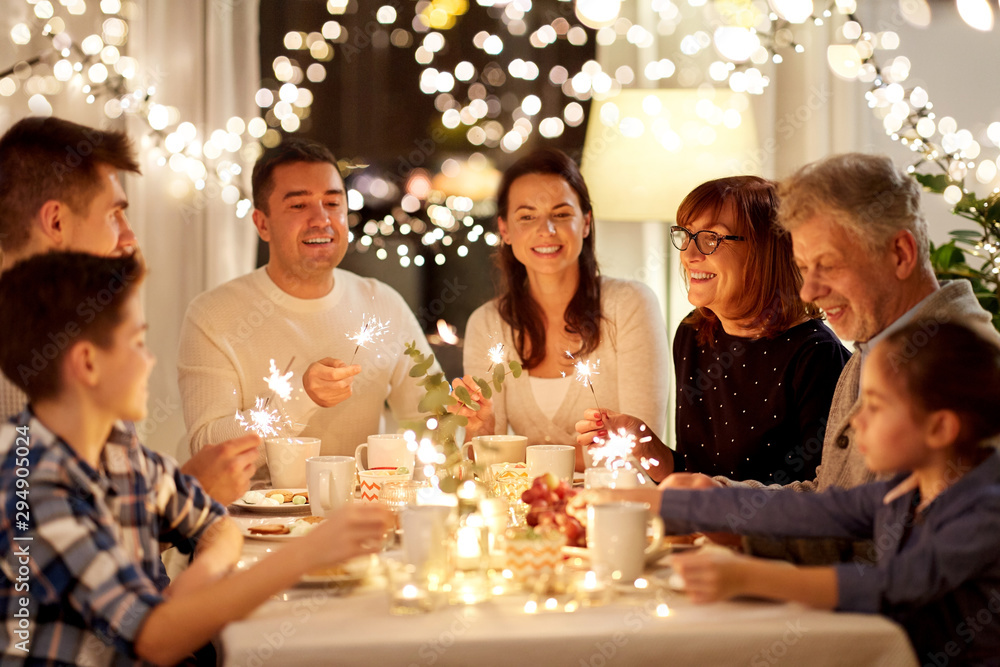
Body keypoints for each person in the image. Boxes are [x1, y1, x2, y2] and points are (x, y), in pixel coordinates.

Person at [0, 252, 392, 665]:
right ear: (87, 363)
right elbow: (155, 640)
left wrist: (186, 592)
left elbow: (214, 522)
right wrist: (308, 552)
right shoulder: (30, 481)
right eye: (137, 343)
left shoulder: (115, 447)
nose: (149, 361)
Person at [619, 153, 1000, 565]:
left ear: (900, 254)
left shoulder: (960, 371)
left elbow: (897, 558)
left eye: (828, 265)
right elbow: (834, 502)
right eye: (803, 267)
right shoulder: (878, 345)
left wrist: (738, 537)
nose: (808, 291)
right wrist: (720, 502)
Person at [607, 321, 1000, 664]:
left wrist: (750, 577)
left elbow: (893, 586)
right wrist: (656, 502)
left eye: (875, 406)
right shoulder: (903, 488)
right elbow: (809, 511)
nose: (854, 420)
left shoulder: (985, 512)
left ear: (940, 429)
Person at [0, 116, 257, 505]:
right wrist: (191, 492)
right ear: (55, 222)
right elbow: (44, 541)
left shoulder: (82, 324)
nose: (129, 235)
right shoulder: (27, 362)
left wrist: (178, 493)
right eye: (113, 215)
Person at [178, 138, 438, 466]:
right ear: (262, 223)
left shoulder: (382, 303)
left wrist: (467, 422)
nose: (321, 219)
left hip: (361, 511)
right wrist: (300, 398)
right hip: (252, 517)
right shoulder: (213, 315)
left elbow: (432, 419)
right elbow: (207, 450)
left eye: (332, 203)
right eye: (299, 206)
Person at [578, 176, 849, 483]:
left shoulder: (815, 355)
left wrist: (715, 506)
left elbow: (821, 495)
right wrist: (643, 442)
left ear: (765, 251)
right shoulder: (693, 333)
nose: (690, 255)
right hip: (704, 525)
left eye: (711, 238)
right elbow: (691, 475)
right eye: (687, 235)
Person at [452, 148, 669, 472]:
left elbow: (642, 453)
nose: (546, 230)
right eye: (527, 216)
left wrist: (521, 459)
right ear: (505, 229)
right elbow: (485, 465)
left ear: (586, 223)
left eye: (561, 213)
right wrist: (478, 430)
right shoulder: (488, 323)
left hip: (615, 508)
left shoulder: (630, 305)